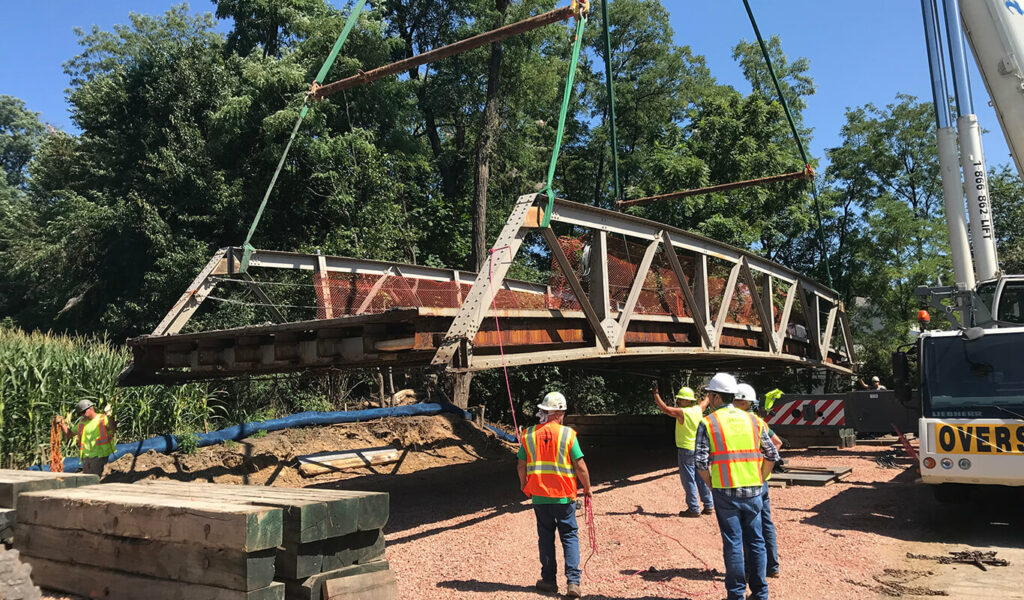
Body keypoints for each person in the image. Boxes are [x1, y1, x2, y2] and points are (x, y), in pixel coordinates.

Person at [695, 373, 780, 600]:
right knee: (756, 542)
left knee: (733, 544)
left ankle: (736, 596)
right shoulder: (754, 420)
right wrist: (761, 478)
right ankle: (760, 594)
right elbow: (772, 453)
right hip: (754, 490)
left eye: (709, 395)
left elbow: (700, 462)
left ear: (714, 396)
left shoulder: (708, 422)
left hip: (725, 492)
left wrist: (712, 484)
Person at [517, 391, 593, 598]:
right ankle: (573, 582)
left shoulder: (529, 434)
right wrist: (587, 488)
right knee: (569, 536)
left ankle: (549, 581)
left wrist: (525, 485)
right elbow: (580, 466)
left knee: (546, 537)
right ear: (559, 413)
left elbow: (521, 464)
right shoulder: (568, 434)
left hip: (540, 497)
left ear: (545, 411)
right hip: (564, 496)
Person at [734, 384, 782, 579]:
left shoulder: (739, 423)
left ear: (744, 402)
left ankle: (750, 570)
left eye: (735, 400)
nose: (732, 403)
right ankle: (772, 567)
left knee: (748, 526)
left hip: (746, 481)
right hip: (761, 481)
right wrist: (763, 471)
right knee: (766, 522)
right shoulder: (759, 422)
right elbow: (776, 444)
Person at [652, 384, 713, 517]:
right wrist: (709, 392)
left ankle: (693, 508)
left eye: (681, 399)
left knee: (688, 479)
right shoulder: (698, 409)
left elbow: (665, 409)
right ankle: (708, 505)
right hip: (699, 449)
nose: (678, 401)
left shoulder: (682, 412)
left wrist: (656, 394)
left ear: (687, 401)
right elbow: (706, 401)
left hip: (686, 450)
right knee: (701, 477)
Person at [55, 399, 116, 476]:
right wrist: (62, 424)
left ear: (91, 408)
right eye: (81, 413)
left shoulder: (102, 419)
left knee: (95, 479)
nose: (83, 415)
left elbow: (112, 429)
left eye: (84, 412)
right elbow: (69, 434)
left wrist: (109, 415)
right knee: (88, 480)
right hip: (86, 457)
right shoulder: (82, 423)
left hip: (99, 456)